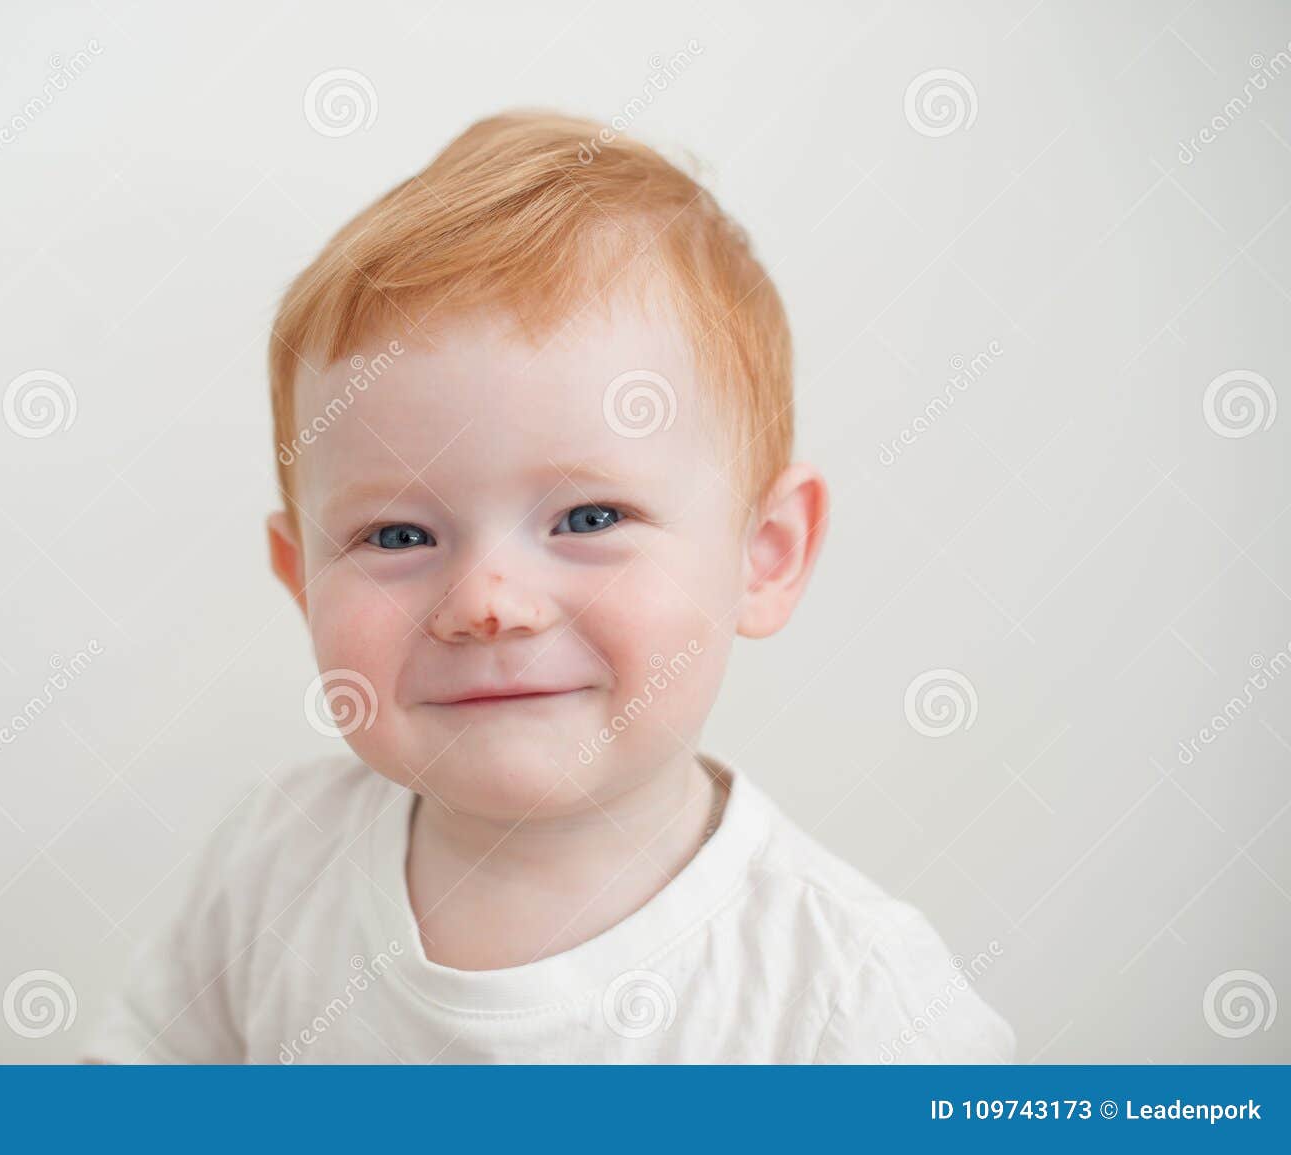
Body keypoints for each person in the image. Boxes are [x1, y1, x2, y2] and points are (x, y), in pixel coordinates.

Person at [83, 110, 1016, 1063]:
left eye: (588, 519)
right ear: (302, 580)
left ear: (764, 553)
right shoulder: (274, 866)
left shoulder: (853, 1007)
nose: (489, 600)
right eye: (398, 534)